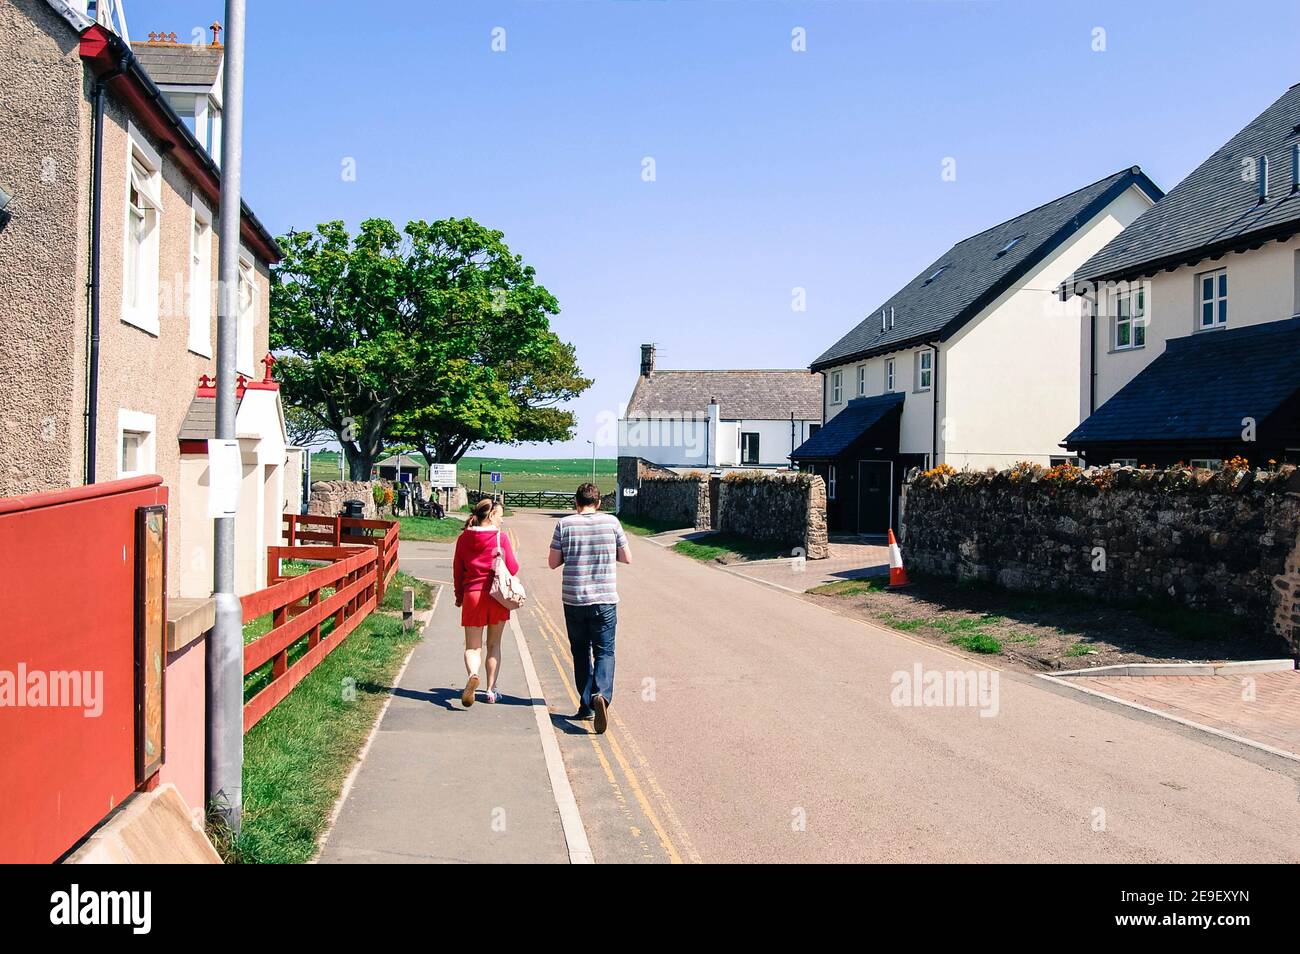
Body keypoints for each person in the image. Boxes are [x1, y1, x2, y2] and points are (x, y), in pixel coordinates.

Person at [548, 483, 630, 734]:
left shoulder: (565, 525)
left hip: (574, 599)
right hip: (604, 599)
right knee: (605, 651)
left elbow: (553, 563)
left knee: (581, 653)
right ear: (599, 503)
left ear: (576, 502)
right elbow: (626, 557)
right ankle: (601, 695)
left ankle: (587, 706)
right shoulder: (612, 523)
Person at [452, 498, 519, 707]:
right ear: (490, 516)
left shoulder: (463, 538)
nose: (501, 521)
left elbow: (457, 569)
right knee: (494, 645)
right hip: (496, 596)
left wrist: (458, 595)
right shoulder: (501, 538)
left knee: (472, 647)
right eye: (499, 516)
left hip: (472, 594)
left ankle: (473, 674)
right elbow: (513, 568)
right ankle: (491, 690)